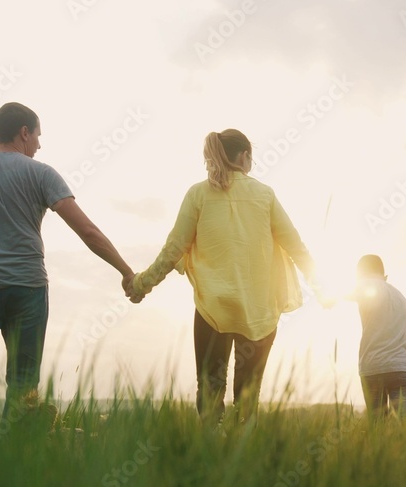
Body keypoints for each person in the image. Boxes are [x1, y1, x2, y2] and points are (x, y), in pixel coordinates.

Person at [0, 102, 135, 441]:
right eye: (38, 136)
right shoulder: (42, 173)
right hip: (27, 291)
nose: (39, 144)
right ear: (24, 133)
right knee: (22, 382)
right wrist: (125, 270)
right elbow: (87, 231)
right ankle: (12, 457)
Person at [127, 129, 316, 424]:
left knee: (211, 388)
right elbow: (295, 246)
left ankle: (211, 453)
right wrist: (322, 286)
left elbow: (174, 248)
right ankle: (242, 458)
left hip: (213, 309)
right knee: (248, 395)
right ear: (243, 157)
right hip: (259, 313)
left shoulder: (198, 194)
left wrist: (142, 284)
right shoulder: (264, 195)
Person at [348, 255, 406, 421]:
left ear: (359, 276)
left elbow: (343, 293)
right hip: (403, 368)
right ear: (385, 275)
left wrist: (327, 298)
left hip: (373, 367)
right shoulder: (401, 298)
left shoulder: (365, 284)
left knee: (378, 428)